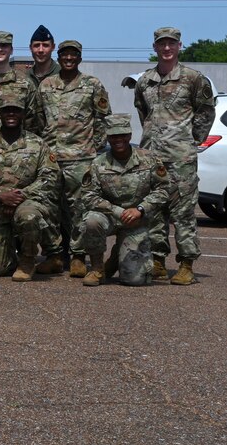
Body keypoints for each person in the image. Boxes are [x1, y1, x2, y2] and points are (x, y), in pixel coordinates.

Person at [134, 26, 217, 285]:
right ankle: (158, 260)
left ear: (180, 46)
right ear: (155, 47)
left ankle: (187, 264)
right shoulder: (145, 80)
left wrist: (191, 141)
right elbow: (142, 111)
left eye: (172, 43)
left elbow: (206, 111)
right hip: (152, 158)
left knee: (183, 212)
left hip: (181, 158)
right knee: (155, 211)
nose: (167, 48)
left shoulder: (193, 79)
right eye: (162, 44)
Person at [0, 93, 58, 281]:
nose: (11, 114)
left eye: (16, 111)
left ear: (23, 114)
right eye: (7, 111)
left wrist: (20, 196)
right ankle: (7, 250)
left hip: (26, 203)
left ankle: (27, 260)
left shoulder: (38, 144)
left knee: (29, 217)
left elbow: (50, 176)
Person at [37, 39, 111, 277]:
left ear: (79, 57)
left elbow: (103, 119)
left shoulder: (92, 84)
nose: (69, 59)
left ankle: (78, 256)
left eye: (73, 55)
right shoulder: (46, 84)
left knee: (79, 209)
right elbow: (38, 117)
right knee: (49, 208)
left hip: (80, 158)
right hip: (50, 157)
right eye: (65, 55)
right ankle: (55, 255)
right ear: (59, 57)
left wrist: (93, 147)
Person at [79, 114, 171, 287]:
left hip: (137, 220)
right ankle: (98, 269)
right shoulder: (98, 163)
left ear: (129, 135)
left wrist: (141, 209)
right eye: (113, 136)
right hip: (111, 216)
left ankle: (117, 254)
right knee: (91, 221)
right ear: (108, 137)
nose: (118, 140)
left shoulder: (149, 159)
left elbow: (164, 189)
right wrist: (117, 211)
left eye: (122, 135)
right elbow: (88, 195)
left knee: (134, 280)